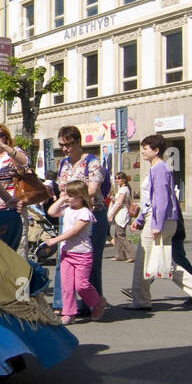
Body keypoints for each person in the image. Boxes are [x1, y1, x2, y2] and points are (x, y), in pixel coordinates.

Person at [125, 134, 192, 312]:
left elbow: (162, 199)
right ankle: (142, 299)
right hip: (156, 219)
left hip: (159, 220)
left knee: (151, 261)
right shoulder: (157, 169)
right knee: (157, 260)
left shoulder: (160, 169)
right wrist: (141, 219)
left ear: (156, 150)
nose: (142, 151)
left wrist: (155, 224)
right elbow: (150, 200)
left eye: (145, 148)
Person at [53, 126, 108, 311]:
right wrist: (62, 199)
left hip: (90, 215)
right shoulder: (64, 163)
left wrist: (70, 196)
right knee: (65, 259)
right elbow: (61, 188)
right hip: (68, 214)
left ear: (78, 142)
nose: (64, 148)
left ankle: (92, 303)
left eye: (68, 144)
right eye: (61, 145)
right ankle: (64, 305)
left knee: (90, 262)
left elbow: (91, 190)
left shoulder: (92, 162)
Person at [44, 180, 107, 324]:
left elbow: (74, 231)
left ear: (81, 197)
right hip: (67, 253)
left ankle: (97, 302)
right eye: (68, 194)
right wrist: (62, 198)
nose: (68, 198)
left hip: (82, 254)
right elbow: (51, 212)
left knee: (81, 285)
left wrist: (55, 240)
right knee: (66, 286)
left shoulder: (85, 213)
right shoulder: (67, 209)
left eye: (71, 195)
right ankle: (69, 313)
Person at [107, 171, 136, 261]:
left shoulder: (124, 189)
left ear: (124, 180)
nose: (117, 180)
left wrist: (111, 214)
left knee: (121, 235)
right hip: (119, 214)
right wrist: (112, 198)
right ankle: (120, 255)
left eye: (119, 178)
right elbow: (118, 201)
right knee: (117, 235)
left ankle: (132, 254)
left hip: (121, 214)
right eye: (116, 178)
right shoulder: (122, 189)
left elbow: (119, 203)